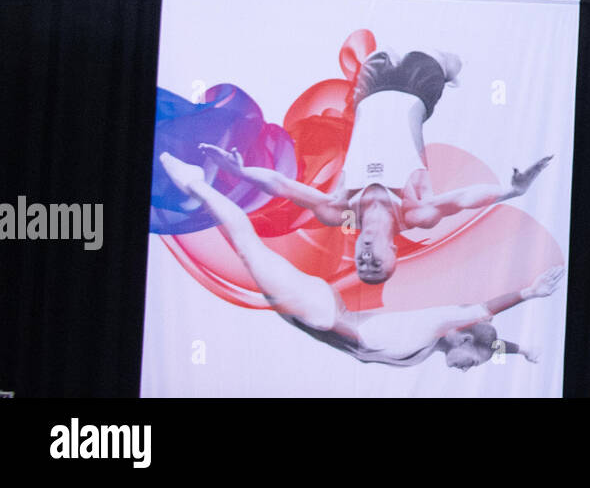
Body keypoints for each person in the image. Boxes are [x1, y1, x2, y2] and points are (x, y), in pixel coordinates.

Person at [159, 150, 562, 369]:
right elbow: (484, 311)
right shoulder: (442, 320)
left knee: (252, 252)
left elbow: (486, 341)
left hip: (317, 316)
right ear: (464, 336)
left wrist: (520, 351)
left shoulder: (442, 344)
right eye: (474, 361)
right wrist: (528, 292)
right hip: (318, 311)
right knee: (248, 249)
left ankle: (201, 187)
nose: (471, 368)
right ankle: (194, 181)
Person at [191, 47, 551, 285]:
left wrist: (239, 172)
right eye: (375, 264)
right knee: (442, 59)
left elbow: (285, 187)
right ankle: (452, 71)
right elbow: (463, 198)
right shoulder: (417, 213)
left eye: (361, 266)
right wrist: (512, 190)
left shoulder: (339, 210)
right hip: (417, 92)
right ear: (393, 252)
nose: (365, 260)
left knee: (382, 53)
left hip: (369, 94)